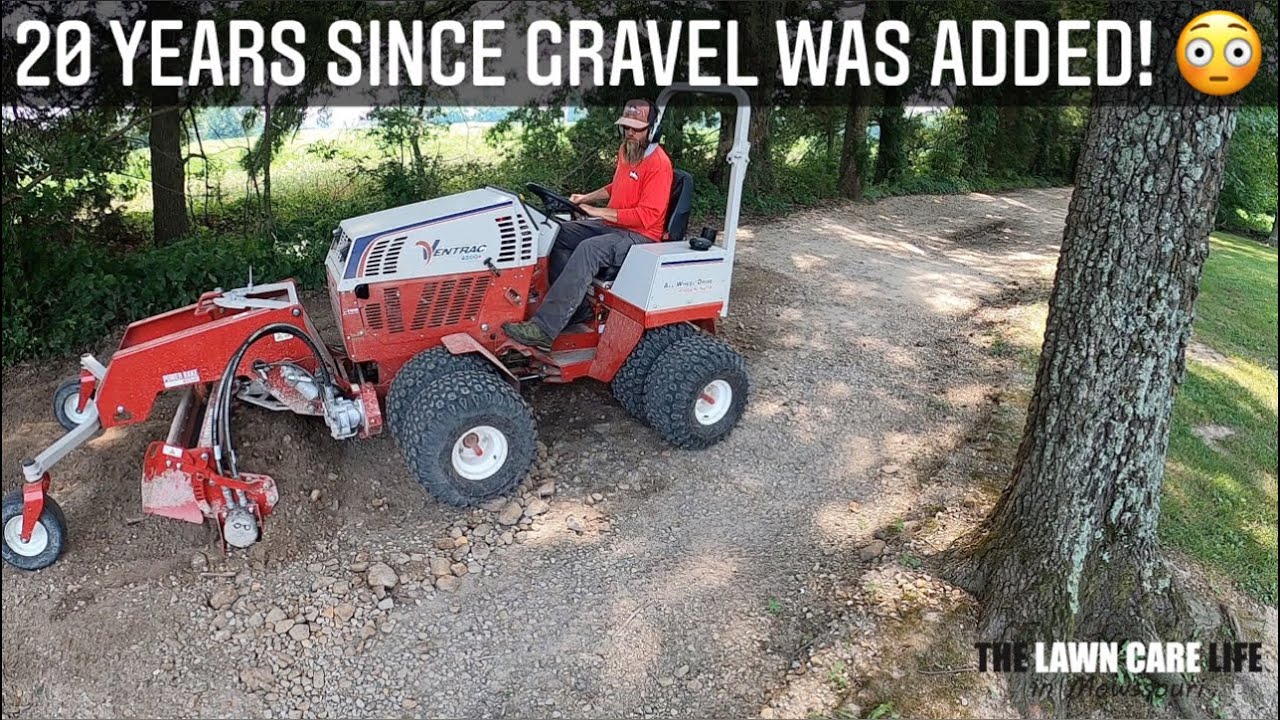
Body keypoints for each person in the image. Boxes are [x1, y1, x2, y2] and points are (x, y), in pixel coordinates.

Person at [503, 99, 674, 351]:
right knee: (558, 233)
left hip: (640, 236)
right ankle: (577, 308)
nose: (630, 132)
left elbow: (647, 216)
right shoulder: (627, 150)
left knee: (589, 249)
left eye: (636, 128)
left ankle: (544, 330)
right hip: (614, 226)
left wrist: (597, 211)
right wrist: (586, 198)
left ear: (653, 130)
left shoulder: (659, 165)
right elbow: (617, 186)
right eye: (626, 127)